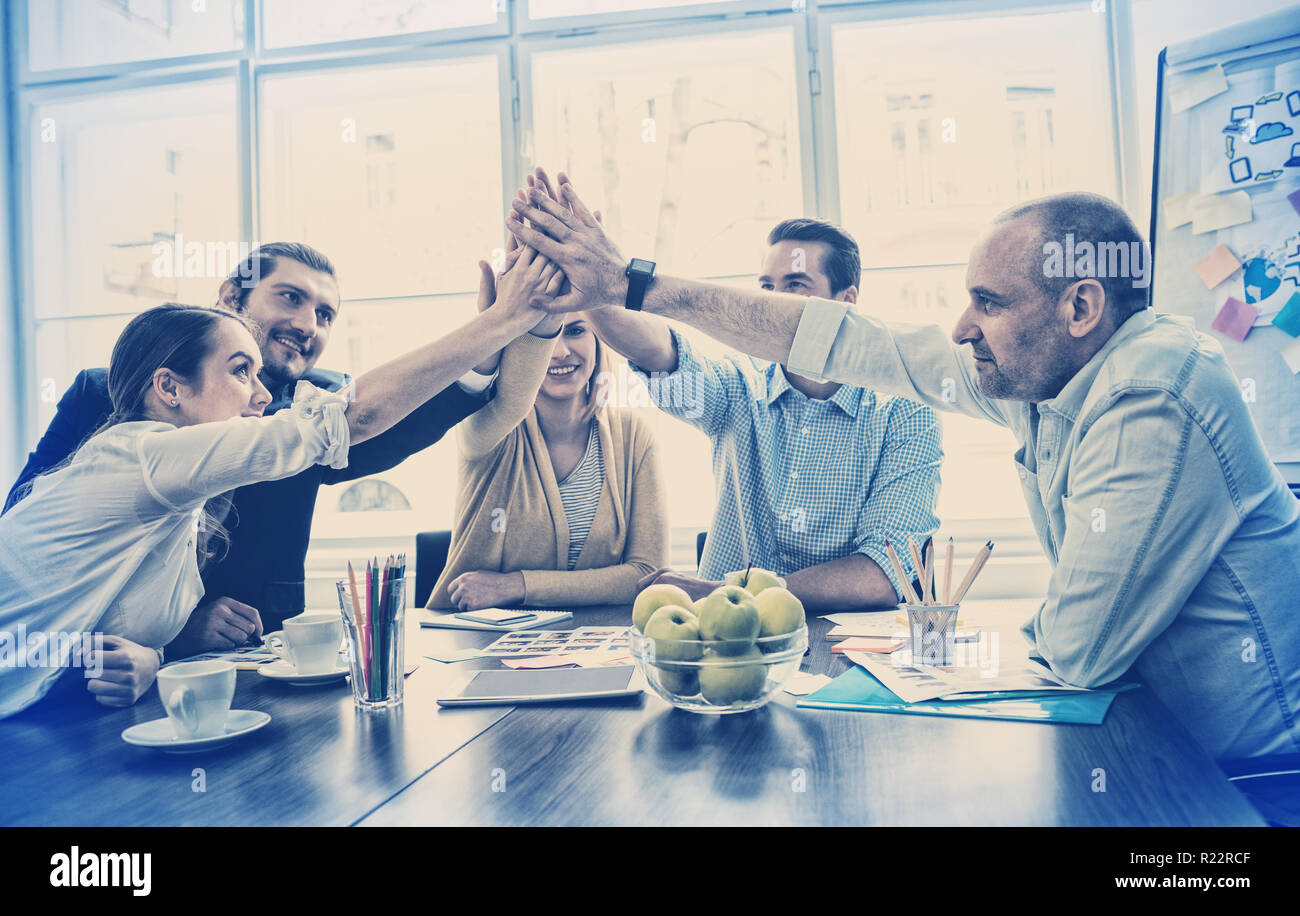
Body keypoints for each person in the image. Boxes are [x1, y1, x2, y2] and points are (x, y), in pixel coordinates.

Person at [508, 172, 1300, 775]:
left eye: (987, 302)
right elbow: (860, 345)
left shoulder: (1152, 390)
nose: (963, 327)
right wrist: (628, 286)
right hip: (1163, 740)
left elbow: (1077, 650)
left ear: (1081, 308)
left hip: (1246, 782)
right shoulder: (1046, 375)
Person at [0, 249, 557, 716]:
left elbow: (377, 424)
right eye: (290, 297)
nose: (309, 324)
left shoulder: (202, 495)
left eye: (326, 313)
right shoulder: (137, 444)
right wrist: (501, 320)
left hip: (121, 703)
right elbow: (350, 419)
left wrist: (158, 653)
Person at [583, 206, 941, 610]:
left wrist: (731, 594)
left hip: (841, 652)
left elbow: (882, 575)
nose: (771, 304)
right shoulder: (738, 384)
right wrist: (593, 288)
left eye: (795, 285)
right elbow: (660, 353)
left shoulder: (904, 413)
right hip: (730, 644)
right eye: (766, 288)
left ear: (847, 302)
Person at [428, 239, 666, 611]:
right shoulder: (491, 427)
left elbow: (647, 574)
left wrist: (518, 586)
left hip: (595, 650)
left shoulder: (633, 436)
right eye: (541, 332)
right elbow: (509, 400)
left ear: (599, 338)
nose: (558, 352)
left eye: (574, 330)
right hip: (479, 647)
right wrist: (496, 323)